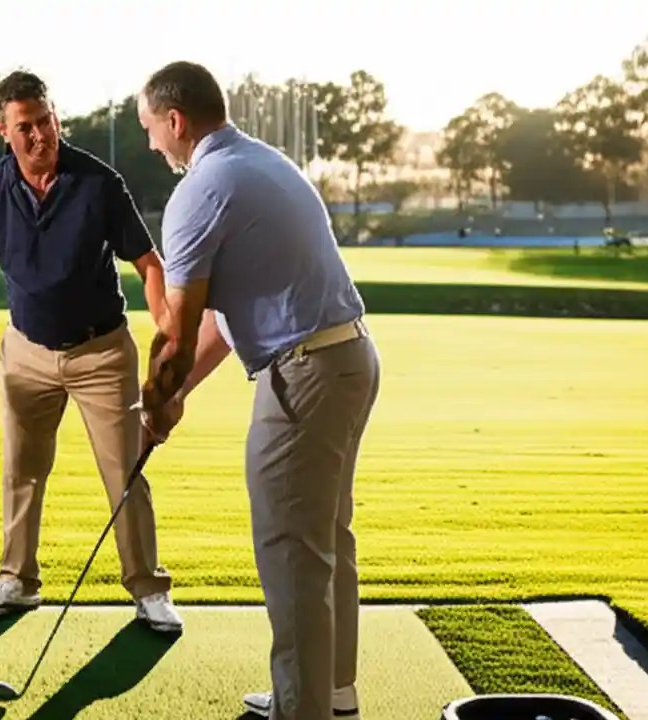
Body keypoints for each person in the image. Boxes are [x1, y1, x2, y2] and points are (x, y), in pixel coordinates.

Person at [135, 61, 381, 718]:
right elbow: (219, 317)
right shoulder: (259, 162)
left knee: (290, 547)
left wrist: (152, 407)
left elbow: (176, 333)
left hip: (304, 372)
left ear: (175, 120)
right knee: (325, 535)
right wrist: (176, 394)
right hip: (349, 356)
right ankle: (331, 694)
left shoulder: (199, 190)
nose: (152, 143)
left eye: (150, 128)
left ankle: (303, 710)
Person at [0, 70, 182, 633]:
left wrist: (169, 328)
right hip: (25, 352)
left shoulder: (98, 182)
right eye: (25, 126)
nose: (39, 136)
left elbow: (147, 263)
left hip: (100, 351)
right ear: (1, 129)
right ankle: (17, 582)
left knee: (124, 471)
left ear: (57, 119)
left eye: (46, 121)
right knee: (21, 469)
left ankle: (149, 590)